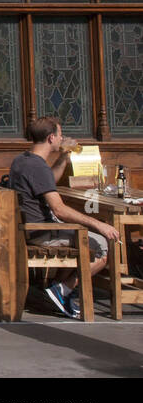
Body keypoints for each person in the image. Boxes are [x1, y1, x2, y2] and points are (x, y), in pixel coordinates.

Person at [9, 115, 120, 319]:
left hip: (30, 228)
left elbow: (47, 180)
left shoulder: (23, 160)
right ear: (51, 138)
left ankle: (56, 290)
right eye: (60, 134)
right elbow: (59, 209)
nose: (62, 138)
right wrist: (99, 225)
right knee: (103, 245)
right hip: (41, 232)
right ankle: (64, 289)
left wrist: (63, 157)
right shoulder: (37, 166)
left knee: (85, 236)